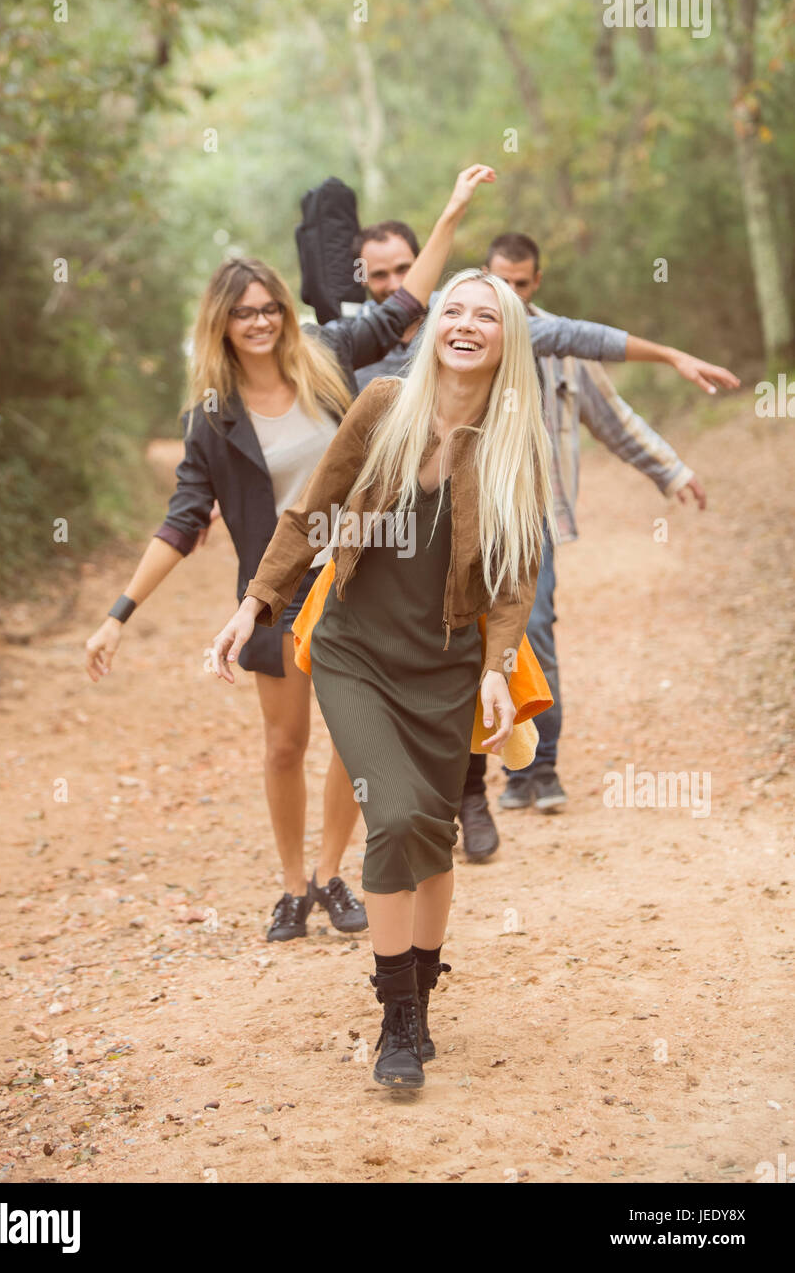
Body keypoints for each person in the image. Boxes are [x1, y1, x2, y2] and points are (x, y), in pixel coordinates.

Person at [83, 166, 492, 945]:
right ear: (222, 325)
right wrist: (118, 615)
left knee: (351, 738)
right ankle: (292, 886)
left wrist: (450, 211)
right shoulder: (211, 417)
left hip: (358, 577)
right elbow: (181, 522)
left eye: (271, 308)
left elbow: (408, 303)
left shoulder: (329, 355)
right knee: (283, 744)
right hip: (273, 587)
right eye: (244, 314)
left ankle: (337, 874)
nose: (262, 322)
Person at [213, 252, 554, 1088]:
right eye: (454, 311)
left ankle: (422, 1001)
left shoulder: (515, 445)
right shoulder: (382, 407)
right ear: (432, 327)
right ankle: (395, 1020)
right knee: (396, 819)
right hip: (354, 650)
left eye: (487, 315)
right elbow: (314, 509)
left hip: (448, 665)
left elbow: (513, 585)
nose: (467, 325)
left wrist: (494, 669)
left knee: (433, 837)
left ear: (507, 338)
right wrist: (255, 603)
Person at [324, 212, 739, 857]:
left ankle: (506, 777)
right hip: (399, 546)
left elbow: (599, 375)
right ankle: (433, 804)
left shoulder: (500, 330)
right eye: (381, 275)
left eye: (407, 269)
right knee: (425, 654)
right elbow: (325, 452)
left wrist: (670, 373)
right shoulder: (367, 355)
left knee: (516, 634)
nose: (396, 284)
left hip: (513, 523)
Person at [474, 233, 708, 815]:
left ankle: (538, 767)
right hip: (466, 522)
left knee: (535, 633)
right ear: (485, 274)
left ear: (537, 282)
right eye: (499, 280)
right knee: (469, 644)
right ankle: (473, 784)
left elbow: (612, 417)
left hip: (535, 521)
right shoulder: (467, 336)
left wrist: (670, 469)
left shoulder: (557, 343)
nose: (510, 293)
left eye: (521, 284)